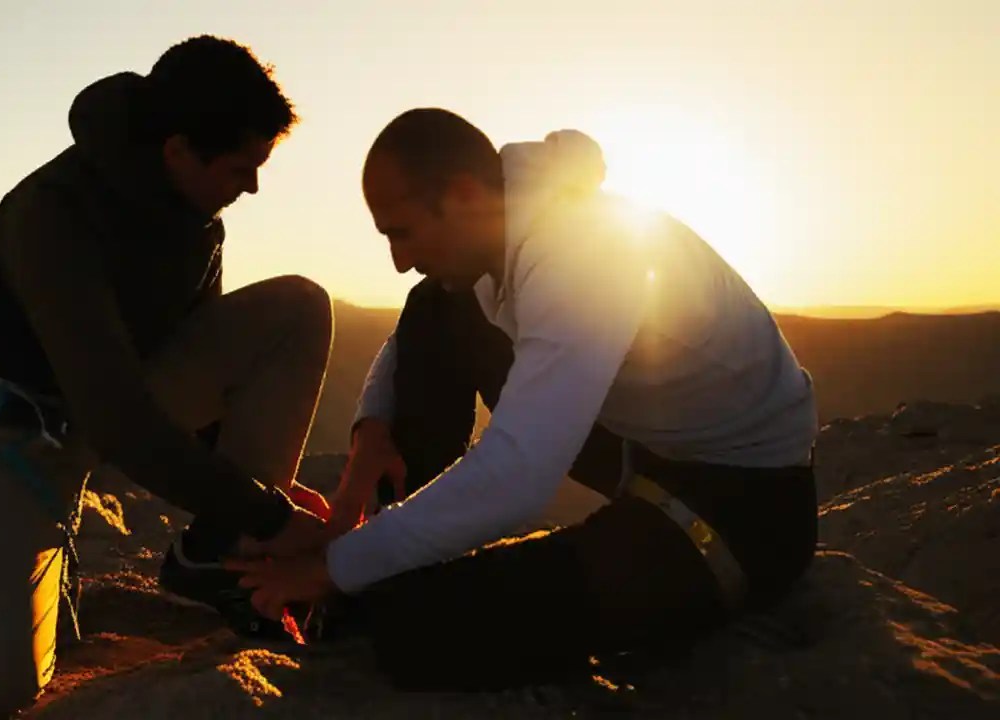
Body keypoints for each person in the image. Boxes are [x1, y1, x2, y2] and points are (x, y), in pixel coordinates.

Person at [233, 109, 819, 691]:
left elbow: (519, 476)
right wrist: (370, 440)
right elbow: (418, 328)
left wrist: (335, 567)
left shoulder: (582, 251)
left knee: (419, 633)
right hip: (645, 450)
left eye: (402, 232)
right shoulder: (504, 227)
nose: (399, 259)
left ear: (462, 195)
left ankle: (393, 587)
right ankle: (395, 562)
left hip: (741, 506)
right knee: (440, 304)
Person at [0, 36, 335, 716]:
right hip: (11, 429)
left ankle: (223, 559)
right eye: (240, 167)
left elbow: (191, 368)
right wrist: (270, 511)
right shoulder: (52, 217)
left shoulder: (196, 216)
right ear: (177, 150)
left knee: (297, 309)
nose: (251, 186)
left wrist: (252, 506)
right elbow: (116, 416)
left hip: (112, 408)